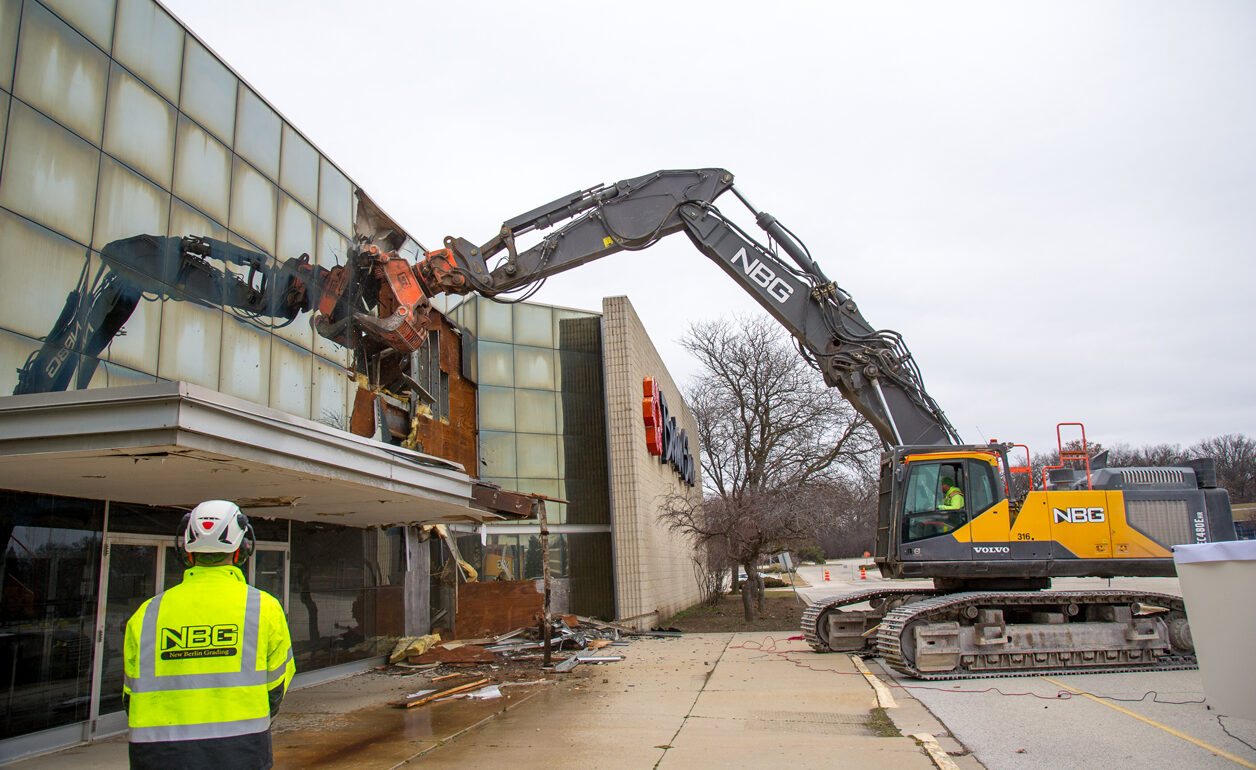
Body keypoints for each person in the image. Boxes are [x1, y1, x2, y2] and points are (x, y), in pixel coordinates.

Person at [123, 500, 295, 770]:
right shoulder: (264, 609)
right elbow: (276, 687)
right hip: (239, 749)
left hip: (157, 753)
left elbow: (130, 694)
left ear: (187, 551)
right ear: (243, 549)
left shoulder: (147, 613)